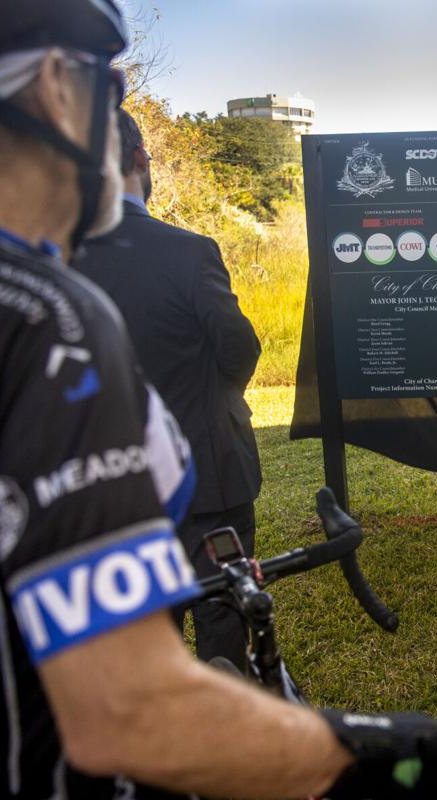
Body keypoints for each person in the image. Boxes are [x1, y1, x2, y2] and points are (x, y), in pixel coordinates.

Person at [0, 2, 437, 799]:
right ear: (57, 85)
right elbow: (126, 708)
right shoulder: (38, 316)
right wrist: (380, 751)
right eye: (110, 86)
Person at [75, 108, 263, 673]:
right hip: (208, 476)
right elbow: (239, 347)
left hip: (109, 489)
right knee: (222, 628)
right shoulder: (186, 250)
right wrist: (218, 396)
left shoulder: (56, 260)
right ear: (140, 160)